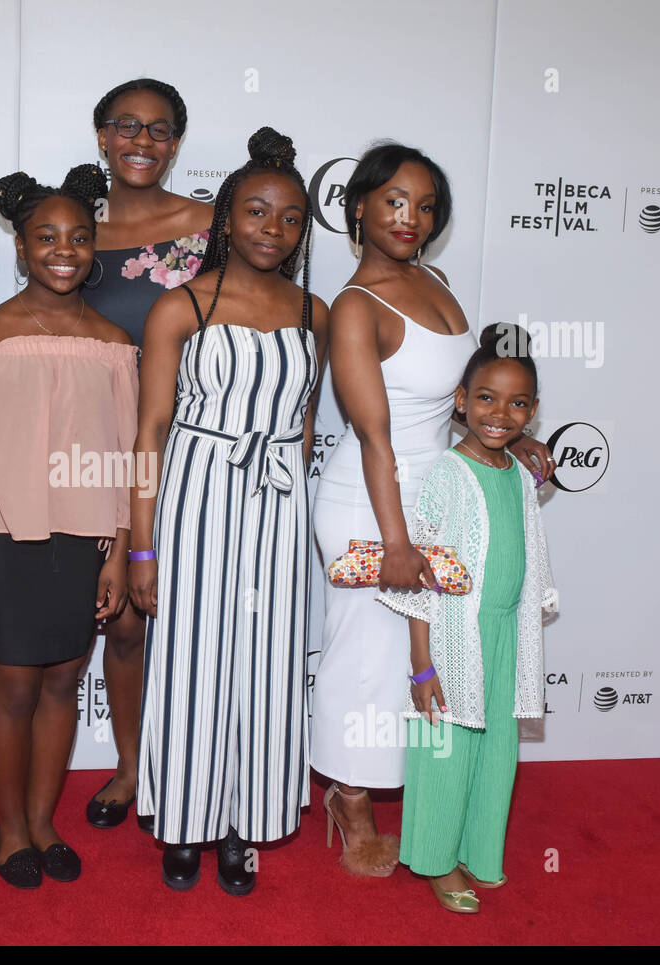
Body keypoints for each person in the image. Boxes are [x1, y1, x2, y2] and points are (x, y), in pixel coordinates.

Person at [310, 142, 554, 877]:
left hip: (444, 494)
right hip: (369, 503)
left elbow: (458, 397)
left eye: (424, 206)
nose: (409, 218)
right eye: (392, 201)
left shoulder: (437, 280)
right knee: (365, 656)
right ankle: (350, 801)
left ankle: (415, 792)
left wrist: (517, 442)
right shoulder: (356, 307)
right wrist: (395, 542)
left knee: (426, 657)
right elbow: (376, 435)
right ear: (358, 206)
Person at [130, 127, 327, 895]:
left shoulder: (316, 310)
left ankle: (244, 826)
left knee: (269, 668)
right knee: (192, 664)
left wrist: (298, 509)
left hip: (278, 502)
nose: (271, 230)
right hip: (197, 493)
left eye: (288, 218)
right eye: (255, 212)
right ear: (226, 218)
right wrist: (143, 547)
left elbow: (307, 422)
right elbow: (149, 429)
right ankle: (186, 821)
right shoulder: (181, 306)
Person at [0, 165, 136, 888]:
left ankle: (46, 819)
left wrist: (116, 554)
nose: (64, 250)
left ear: (95, 248)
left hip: (85, 544)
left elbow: (122, 456)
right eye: (45, 237)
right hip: (6, 541)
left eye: (79, 237)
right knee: (15, 690)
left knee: (62, 686)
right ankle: (11, 828)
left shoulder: (115, 342)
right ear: (19, 248)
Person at [379, 325, 556, 912]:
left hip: (506, 635)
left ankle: (481, 850)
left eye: (517, 402)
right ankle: (436, 858)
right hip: (457, 638)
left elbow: (525, 558)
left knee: (498, 748)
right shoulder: (447, 477)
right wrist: (421, 666)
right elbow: (422, 581)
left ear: (532, 412)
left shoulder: (521, 477)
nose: (500, 413)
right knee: (447, 753)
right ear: (461, 400)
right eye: (486, 397)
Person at [81, 77, 214, 833]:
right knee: (126, 621)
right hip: (98, 453)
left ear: (177, 142)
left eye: (159, 129)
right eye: (125, 125)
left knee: (201, 620)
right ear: (101, 135)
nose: (141, 140)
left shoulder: (211, 228)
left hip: (195, 448)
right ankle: (132, 767)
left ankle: (202, 767)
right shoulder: (70, 231)